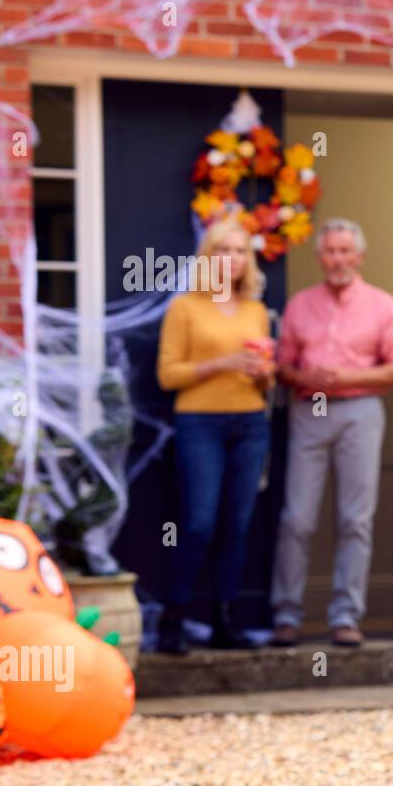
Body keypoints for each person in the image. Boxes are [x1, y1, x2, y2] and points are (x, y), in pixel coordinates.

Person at [270, 219, 393, 647]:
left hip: (360, 410)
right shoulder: (300, 305)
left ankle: (345, 617)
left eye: (344, 251)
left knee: (355, 519)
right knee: (296, 519)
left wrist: (347, 374)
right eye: (330, 251)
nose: (337, 259)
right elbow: (281, 366)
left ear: (359, 256)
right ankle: (286, 616)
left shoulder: (382, 305)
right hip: (306, 411)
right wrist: (304, 374)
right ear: (320, 257)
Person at [155, 214, 275, 654]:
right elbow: (168, 374)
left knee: (237, 526)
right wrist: (222, 365)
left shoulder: (255, 310)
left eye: (241, 251)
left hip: (249, 424)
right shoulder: (184, 307)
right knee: (198, 522)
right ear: (209, 257)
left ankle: (225, 620)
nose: (232, 258)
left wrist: (264, 375)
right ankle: (173, 618)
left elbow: (263, 381)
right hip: (199, 423)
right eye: (223, 250)